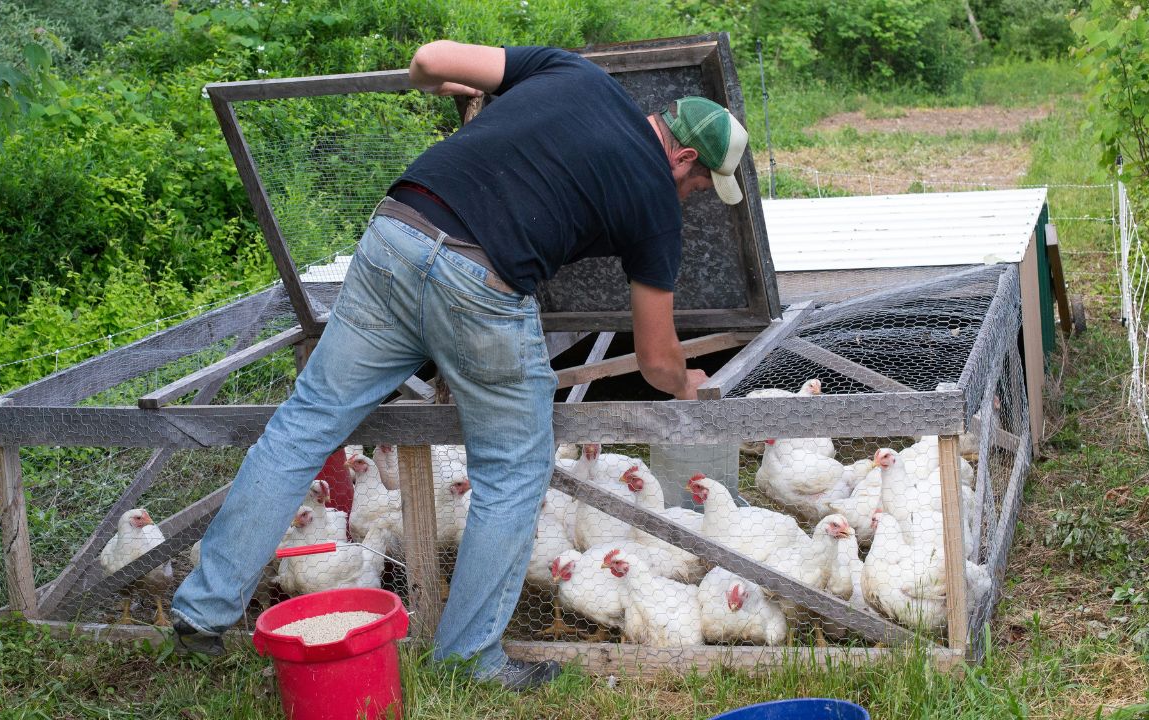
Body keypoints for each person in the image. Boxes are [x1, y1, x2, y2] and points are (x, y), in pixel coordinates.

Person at [170, 40, 748, 691]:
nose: (694, 196)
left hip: (397, 230)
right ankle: (469, 658)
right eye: (701, 184)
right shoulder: (655, 199)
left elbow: (431, 56)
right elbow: (656, 355)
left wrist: (435, 85)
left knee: (304, 425)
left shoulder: (572, 72)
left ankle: (201, 610)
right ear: (684, 155)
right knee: (512, 468)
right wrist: (690, 387)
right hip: (482, 277)